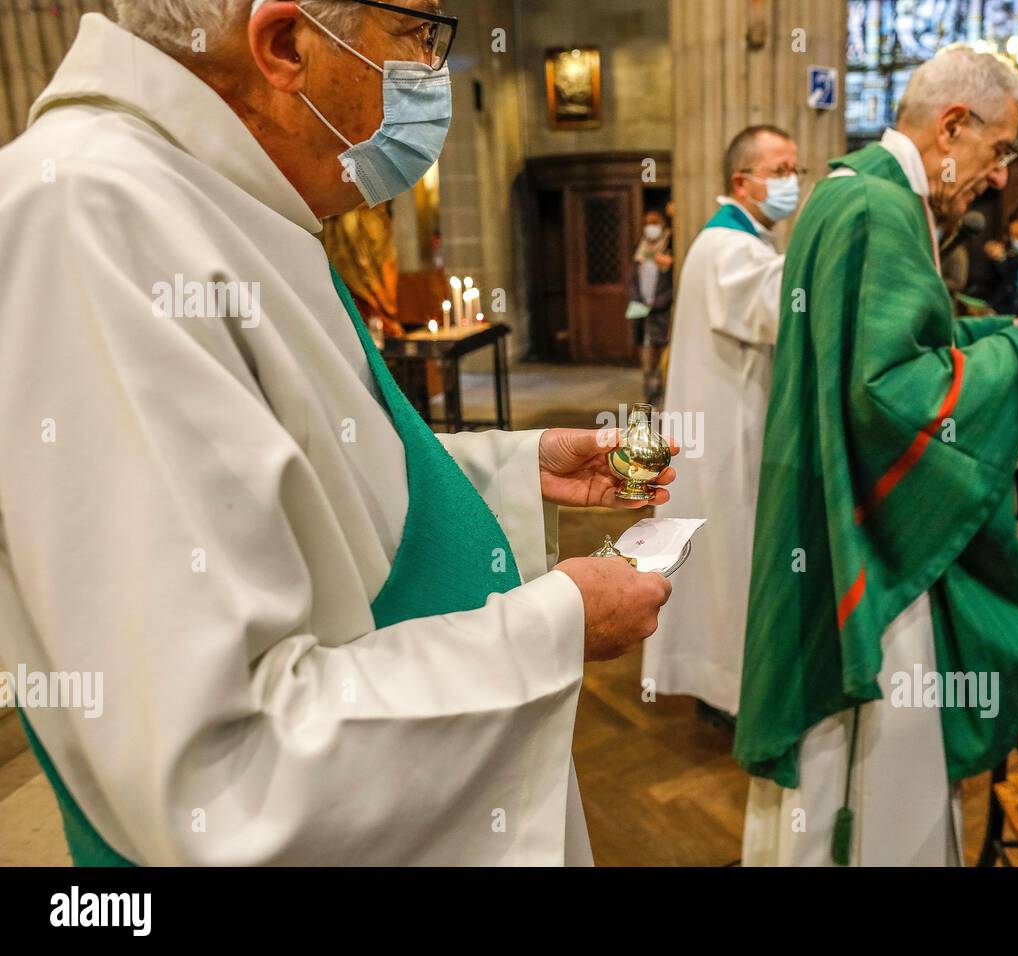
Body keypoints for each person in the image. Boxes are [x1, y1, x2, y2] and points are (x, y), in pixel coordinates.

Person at [0, 2, 677, 866]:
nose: (433, 70)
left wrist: (507, 469)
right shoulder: (88, 219)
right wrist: (559, 624)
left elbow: (307, 473)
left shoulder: (225, 198)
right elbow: (227, 776)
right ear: (286, 45)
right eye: (418, 32)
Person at [733, 45, 1018, 867]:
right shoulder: (881, 208)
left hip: (830, 498)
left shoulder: (848, 190)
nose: (998, 178)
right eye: (1001, 152)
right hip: (871, 533)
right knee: (877, 744)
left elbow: (915, 342)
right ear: (954, 125)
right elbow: (891, 393)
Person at [641, 125, 796, 720]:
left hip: (720, 435)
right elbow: (784, 310)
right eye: (782, 169)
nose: (793, 182)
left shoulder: (732, 242)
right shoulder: (732, 248)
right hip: (731, 443)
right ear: (743, 181)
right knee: (732, 566)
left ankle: (719, 687)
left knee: (720, 568)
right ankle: (732, 696)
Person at [626, 207, 674, 406]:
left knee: (664, 363)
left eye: (654, 223)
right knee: (647, 363)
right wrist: (638, 301)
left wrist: (657, 304)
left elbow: (672, 284)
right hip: (643, 316)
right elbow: (633, 282)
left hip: (662, 315)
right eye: (647, 223)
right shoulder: (640, 253)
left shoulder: (668, 252)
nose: (650, 227)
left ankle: (665, 399)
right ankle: (650, 401)